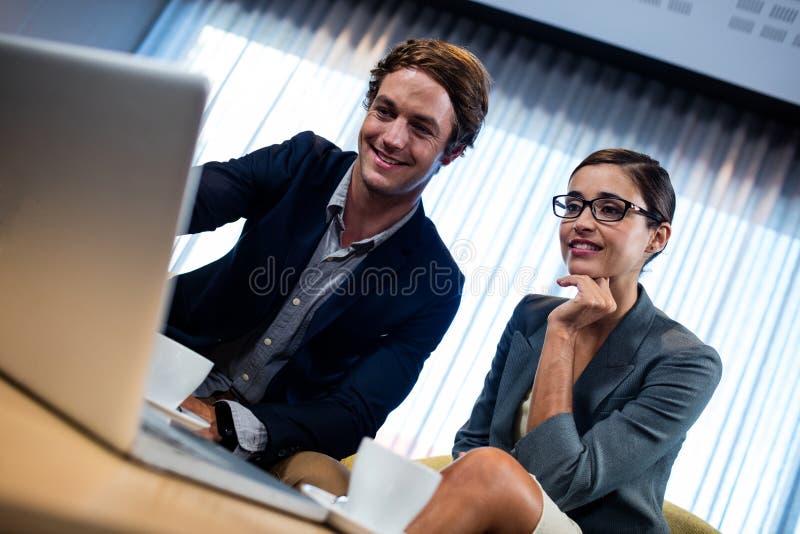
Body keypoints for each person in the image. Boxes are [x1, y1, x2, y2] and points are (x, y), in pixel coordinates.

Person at [168, 39, 491, 479]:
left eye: (420, 128)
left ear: (451, 152)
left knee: (321, 476)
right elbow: (182, 200)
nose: (392, 138)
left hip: (270, 434)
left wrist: (228, 424)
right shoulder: (303, 163)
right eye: (384, 110)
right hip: (175, 358)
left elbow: (354, 412)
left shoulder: (434, 283)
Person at [405, 149, 723, 533]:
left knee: (490, 470)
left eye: (608, 209)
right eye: (573, 205)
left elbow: (562, 484)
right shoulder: (531, 315)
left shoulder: (687, 361)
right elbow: (474, 439)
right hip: (503, 519)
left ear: (656, 237)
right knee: (324, 472)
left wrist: (562, 336)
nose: (581, 222)